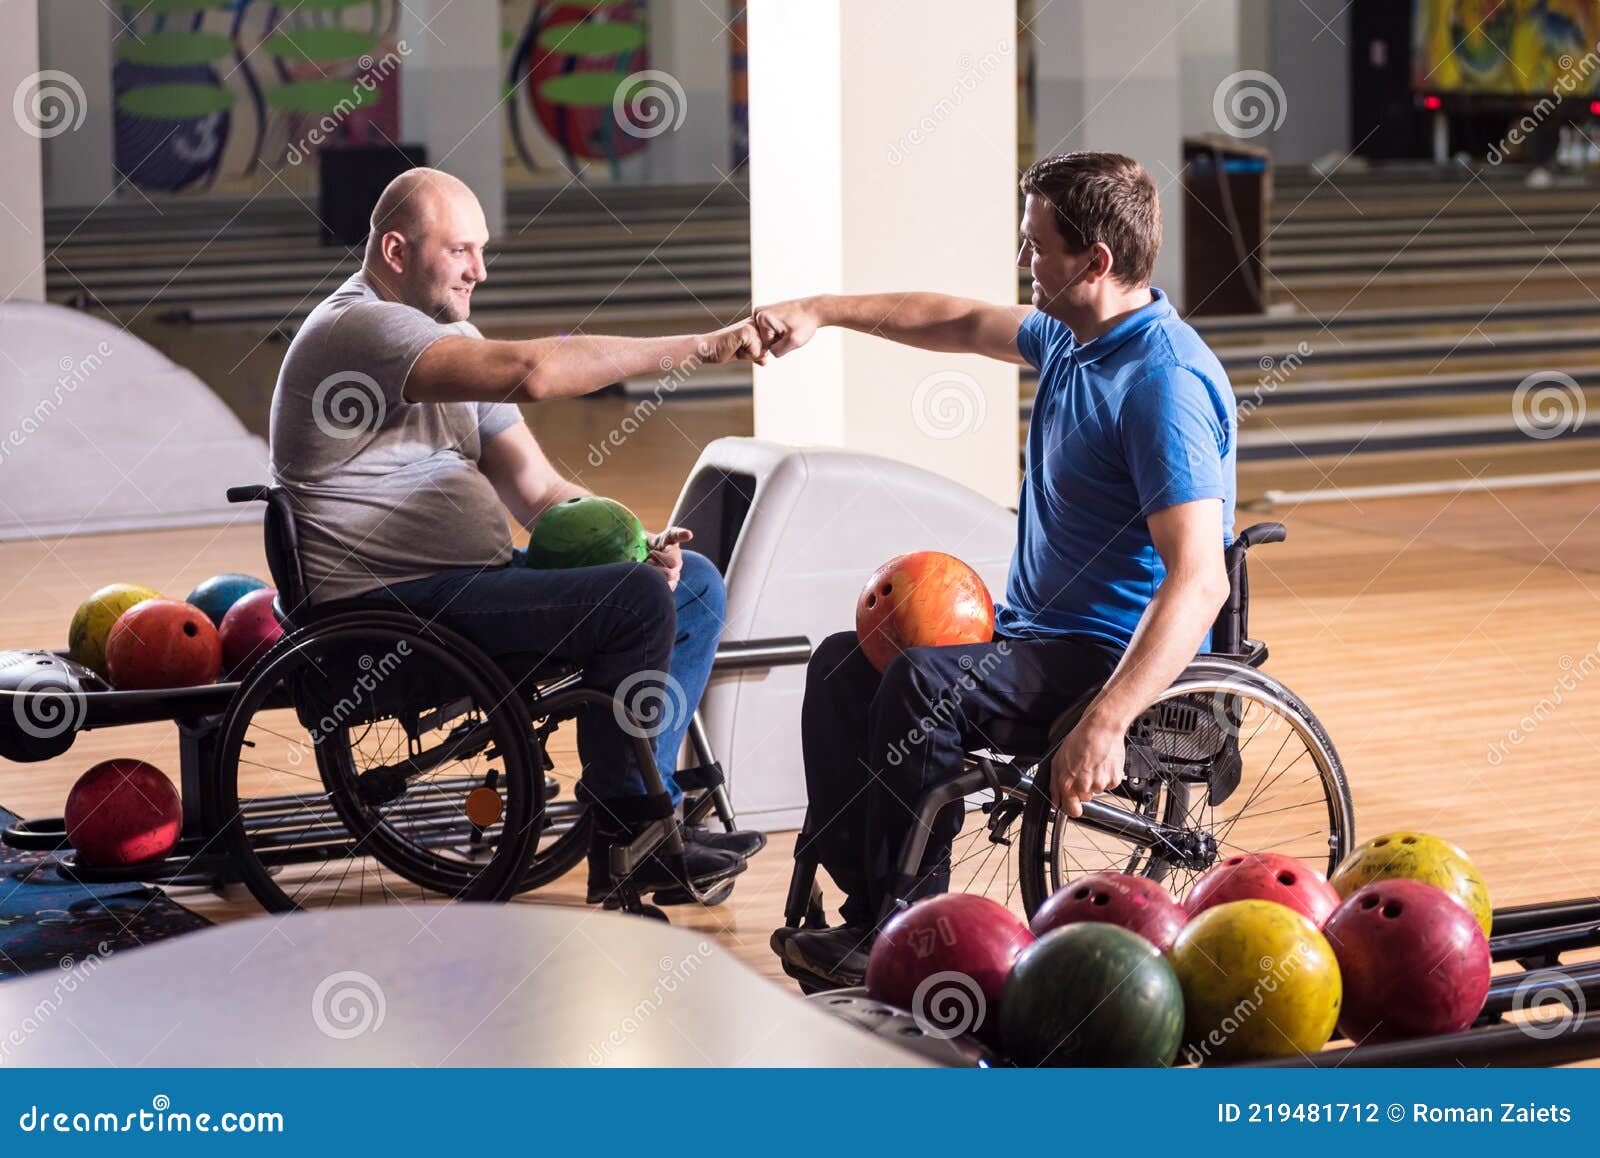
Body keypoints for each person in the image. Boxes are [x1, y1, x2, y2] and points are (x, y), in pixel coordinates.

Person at [757, 151, 1238, 986]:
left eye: (1035, 246)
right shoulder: (1071, 334)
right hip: (1029, 636)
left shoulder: (1160, 385)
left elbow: (1201, 578)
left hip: (1100, 658)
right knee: (842, 662)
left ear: (1096, 263)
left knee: (919, 683)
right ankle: (869, 904)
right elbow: (950, 318)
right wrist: (821, 312)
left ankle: (911, 929)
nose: (1022, 263)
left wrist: (1108, 721)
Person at [268, 167, 768, 907]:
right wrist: (700, 344)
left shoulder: (449, 339)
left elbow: (538, 492)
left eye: (483, 249)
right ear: (397, 252)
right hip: (389, 614)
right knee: (633, 602)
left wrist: (636, 541)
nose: (481, 269)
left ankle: (634, 827)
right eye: (462, 250)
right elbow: (534, 372)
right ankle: (630, 825)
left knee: (688, 581)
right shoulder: (361, 329)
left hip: (470, 587)